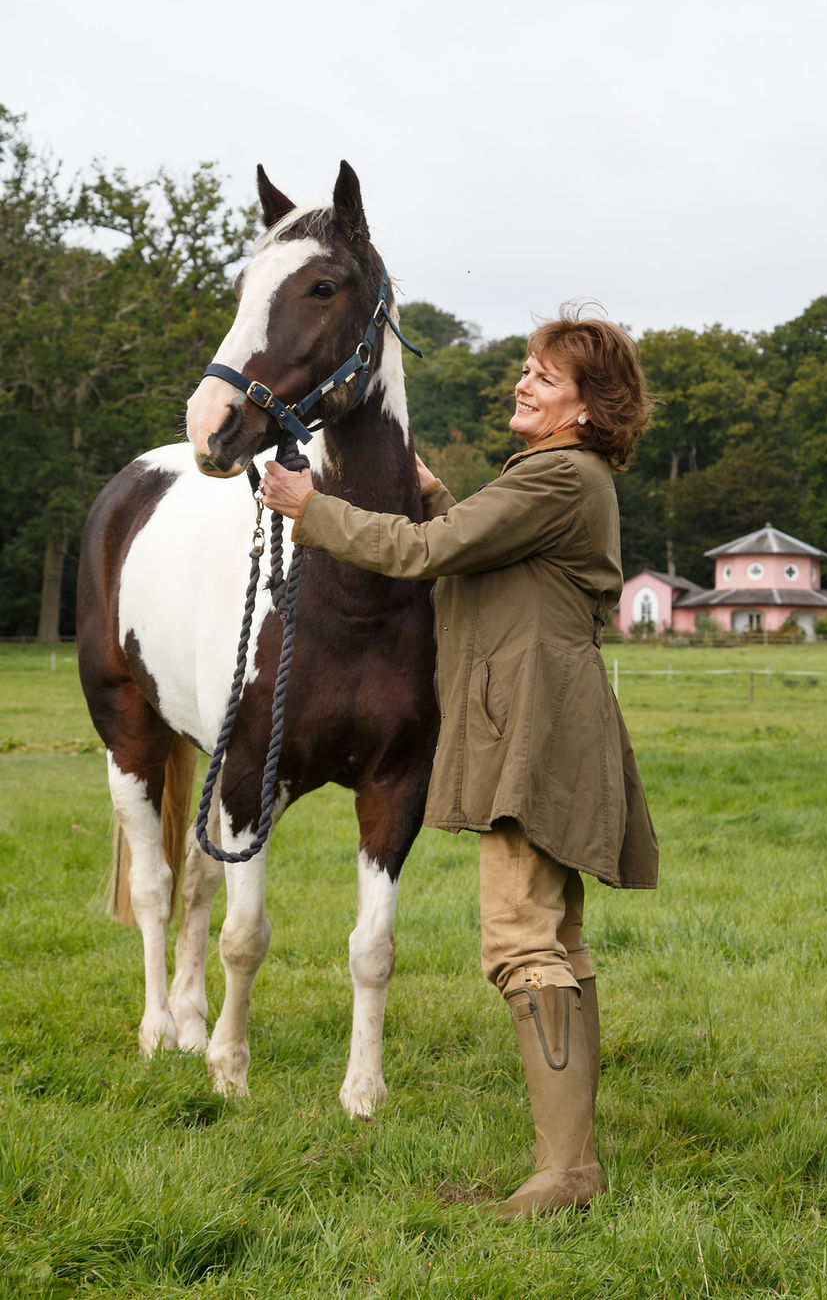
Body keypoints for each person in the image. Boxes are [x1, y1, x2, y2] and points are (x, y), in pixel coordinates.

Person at [259, 310, 659, 1220]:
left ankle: (565, 1174)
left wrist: (310, 510)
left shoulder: (558, 474)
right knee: (556, 940)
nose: (523, 382)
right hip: (549, 715)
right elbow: (483, 559)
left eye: (545, 378)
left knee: (520, 940)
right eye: (525, 367)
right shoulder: (557, 477)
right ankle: (575, 1164)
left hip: (536, 723)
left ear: (589, 410)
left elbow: (426, 556)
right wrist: (441, 495)